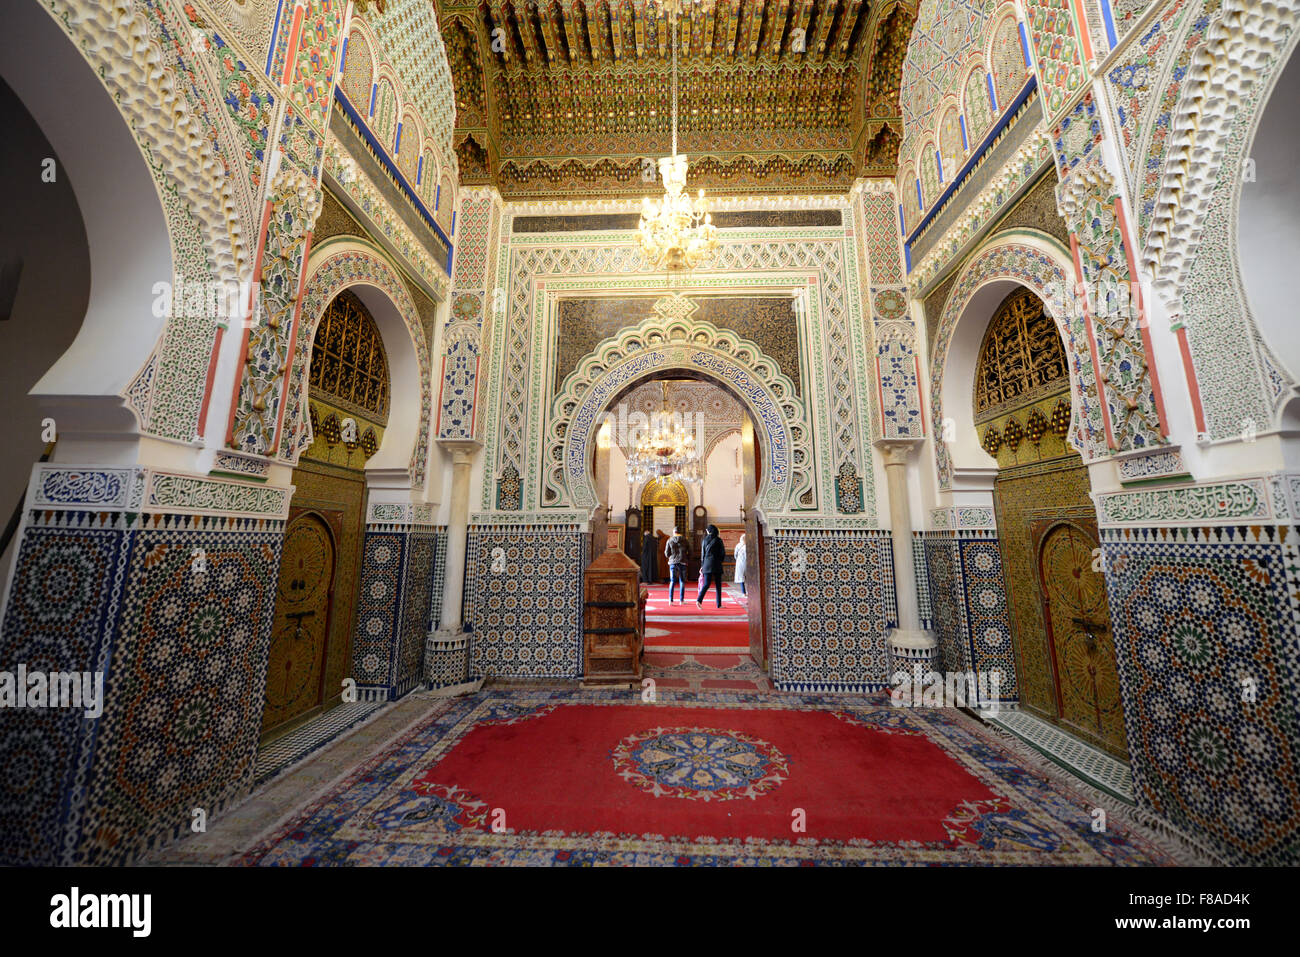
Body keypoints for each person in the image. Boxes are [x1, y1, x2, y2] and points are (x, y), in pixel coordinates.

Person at [696, 524, 725, 609]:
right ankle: (719, 604)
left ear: (709, 531)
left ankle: (699, 600)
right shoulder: (719, 540)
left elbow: (703, 554)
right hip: (717, 564)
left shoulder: (704, 540)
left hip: (707, 564)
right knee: (718, 585)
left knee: (706, 584)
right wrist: (720, 561)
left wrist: (702, 565)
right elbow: (722, 553)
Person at [665, 527, 688, 603]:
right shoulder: (685, 540)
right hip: (682, 562)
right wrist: (686, 558)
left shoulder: (670, 540)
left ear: (674, 532)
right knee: (682, 581)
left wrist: (671, 557)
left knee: (672, 581)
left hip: (673, 563)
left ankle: (670, 600)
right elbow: (690, 551)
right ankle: (681, 600)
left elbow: (666, 553)